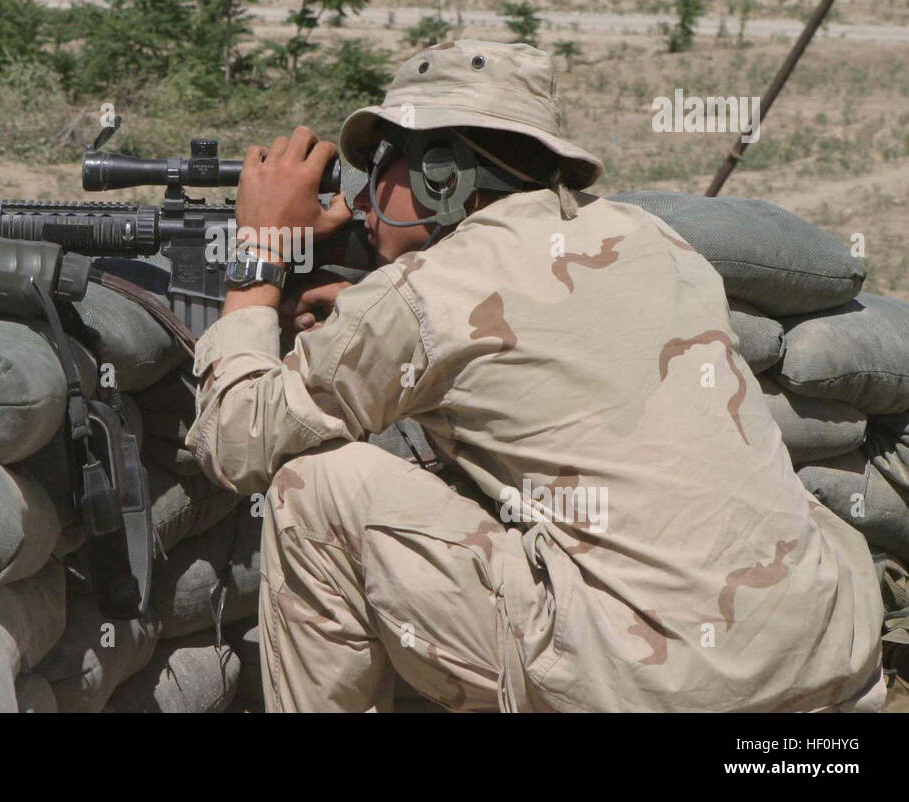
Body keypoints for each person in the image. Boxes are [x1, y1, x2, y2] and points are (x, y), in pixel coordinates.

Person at [184, 39, 885, 712]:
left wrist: (260, 253)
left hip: (660, 688)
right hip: (828, 654)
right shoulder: (652, 238)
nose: (363, 202)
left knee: (316, 490)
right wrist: (373, 316)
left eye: (383, 167)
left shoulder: (427, 298)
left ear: (441, 175)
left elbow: (237, 441)